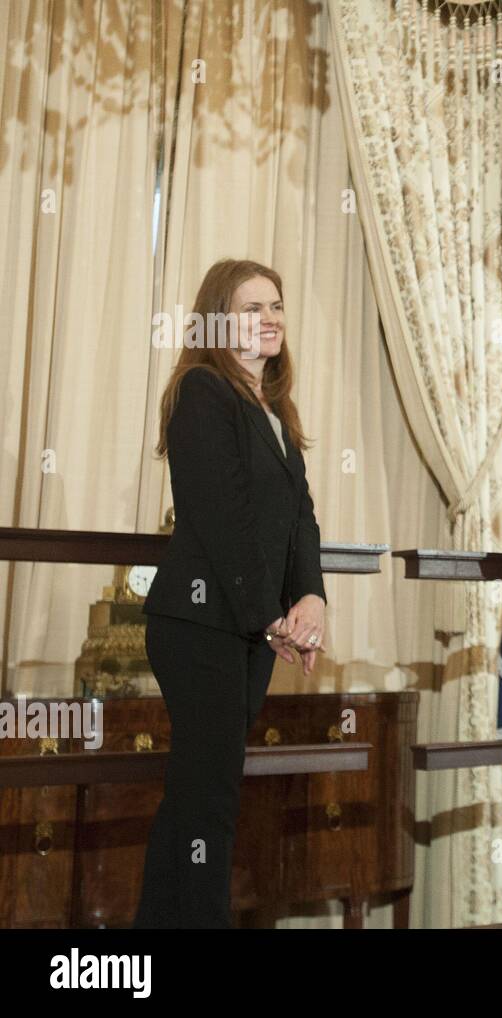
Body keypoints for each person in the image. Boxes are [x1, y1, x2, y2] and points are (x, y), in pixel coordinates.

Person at [136, 259, 327, 928]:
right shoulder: (202, 391)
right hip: (199, 627)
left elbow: (300, 516)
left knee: (196, 800)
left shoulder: (275, 409)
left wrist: (312, 599)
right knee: (210, 804)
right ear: (218, 318)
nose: (270, 316)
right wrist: (272, 618)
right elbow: (225, 519)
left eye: (276, 304)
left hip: (247, 630)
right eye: (253, 307)